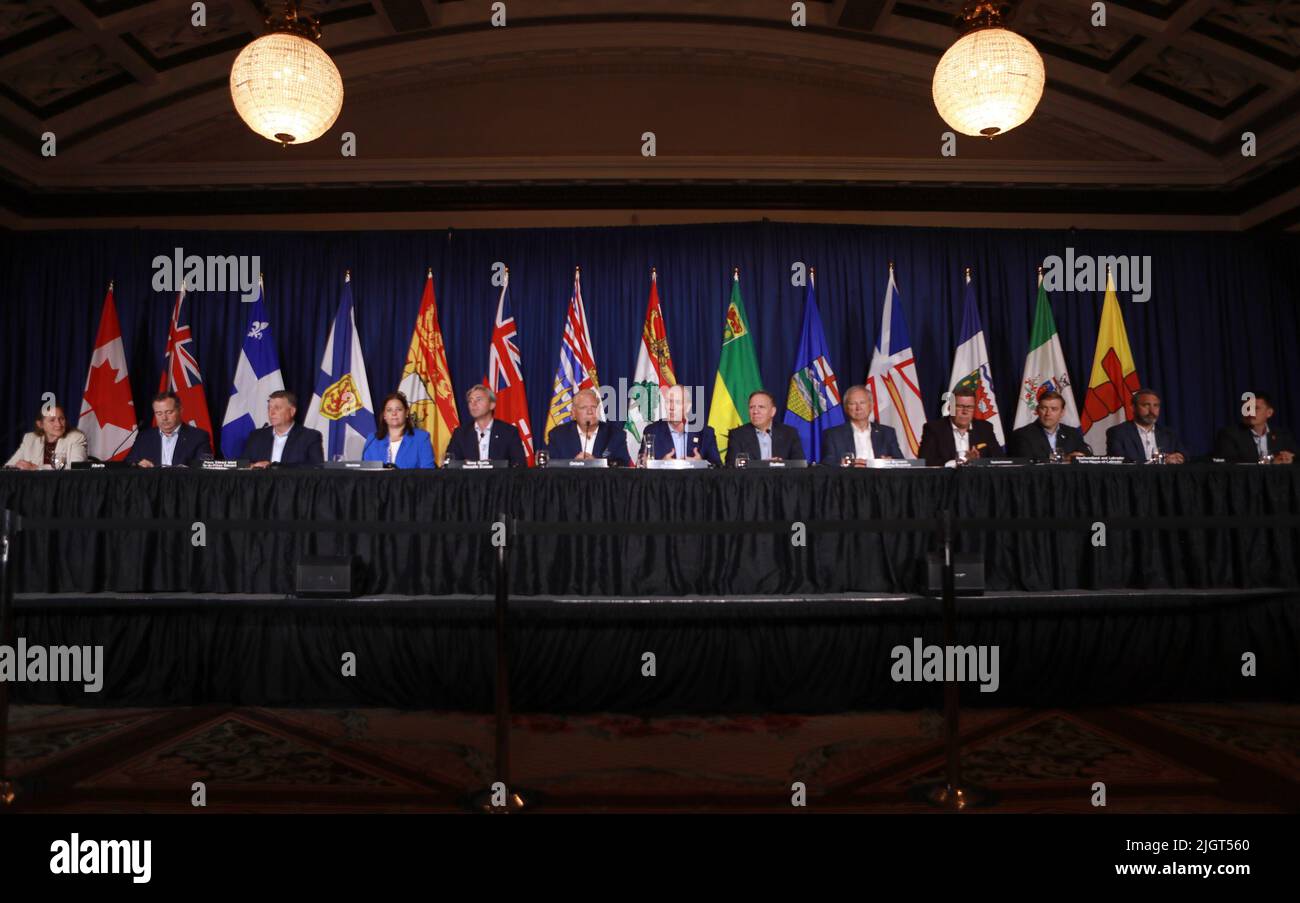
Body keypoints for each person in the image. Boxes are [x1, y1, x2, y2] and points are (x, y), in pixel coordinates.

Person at [917, 387, 1003, 466]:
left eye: (969, 407)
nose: (965, 411)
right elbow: (925, 462)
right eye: (960, 406)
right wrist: (961, 461)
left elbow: (999, 460)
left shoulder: (985, 428)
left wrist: (978, 461)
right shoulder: (934, 429)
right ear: (950, 408)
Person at [544, 388, 632, 465]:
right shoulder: (558, 435)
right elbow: (550, 465)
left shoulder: (615, 435)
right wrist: (572, 464)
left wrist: (597, 464)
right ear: (573, 413)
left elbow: (623, 464)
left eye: (594, 407)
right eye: (583, 407)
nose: (590, 412)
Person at [819, 385, 903, 465]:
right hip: (849, 478)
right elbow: (827, 463)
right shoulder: (833, 434)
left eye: (862, 402)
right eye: (852, 403)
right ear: (846, 408)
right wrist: (850, 463)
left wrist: (889, 462)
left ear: (871, 405)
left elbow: (901, 462)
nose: (858, 408)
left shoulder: (887, 433)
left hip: (881, 478)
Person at [641, 384, 722, 466]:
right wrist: (661, 464)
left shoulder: (705, 433)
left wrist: (701, 464)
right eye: (668, 402)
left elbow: (718, 467)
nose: (671, 408)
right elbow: (642, 466)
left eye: (678, 402)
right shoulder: (652, 431)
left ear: (688, 407)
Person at [446, 385, 527, 466]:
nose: (473, 404)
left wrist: (494, 465)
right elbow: (450, 464)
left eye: (478, 399)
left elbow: (519, 464)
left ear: (492, 405)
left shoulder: (509, 432)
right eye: (470, 401)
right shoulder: (460, 433)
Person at [126, 391, 212, 467]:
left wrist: (185, 471)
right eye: (159, 413)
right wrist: (139, 464)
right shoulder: (145, 437)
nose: (164, 418)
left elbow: (204, 468)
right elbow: (129, 462)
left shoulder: (198, 437)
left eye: (169, 412)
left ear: (180, 410)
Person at [244, 390, 325, 467]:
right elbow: (241, 464)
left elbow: (316, 468)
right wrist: (252, 466)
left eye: (277, 408)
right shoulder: (256, 436)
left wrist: (273, 466)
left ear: (292, 411)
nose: (271, 413)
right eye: (269, 408)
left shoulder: (310, 437)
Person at [1105, 389, 1186, 463]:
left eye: (1156, 405)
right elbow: (1119, 461)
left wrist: (1179, 457)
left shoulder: (1169, 433)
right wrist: (1158, 461)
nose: (1152, 411)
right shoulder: (1117, 432)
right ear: (1133, 408)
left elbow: (1184, 455)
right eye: (1146, 405)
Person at [725, 390, 805, 466]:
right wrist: (764, 465)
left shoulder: (789, 433)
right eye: (751, 407)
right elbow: (731, 466)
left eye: (761, 407)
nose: (755, 411)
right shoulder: (737, 435)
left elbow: (799, 465)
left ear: (772, 412)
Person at [1213, 391, 1295, 464]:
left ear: (1269, 413)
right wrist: (1267, 462)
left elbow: (1295, 456)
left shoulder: (1282, 434)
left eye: (1256, 408)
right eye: (1247, 408)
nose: (1250, 412)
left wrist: (1289, 458)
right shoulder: (1229, 434)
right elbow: (1227, 462)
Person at [1007, 391, 1091, 460]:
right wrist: (1064, 459)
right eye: (1044, 408)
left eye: (1054, 409)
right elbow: (1027, 463)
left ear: (1062, 412)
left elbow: (1086, 454)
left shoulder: (1072, 433)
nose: (1048, 413)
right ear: (1037, 410)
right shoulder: (1022, 435)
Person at [362, 392, 436, 468]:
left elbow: (428, 472)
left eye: (399, 409)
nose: (394, 413)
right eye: (389, 410)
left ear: (406, 413)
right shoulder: (372, 439)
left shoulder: (421, 438)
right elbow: (365, 472)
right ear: (384, 415)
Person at [5, 403, 88, 470]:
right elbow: (8, 467)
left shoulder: (76, 438)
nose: (58, 424)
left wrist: (36, 468)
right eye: (52, 420)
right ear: (40, 424)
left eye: (61, 419)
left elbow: (77, 470)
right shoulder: (30, 439)